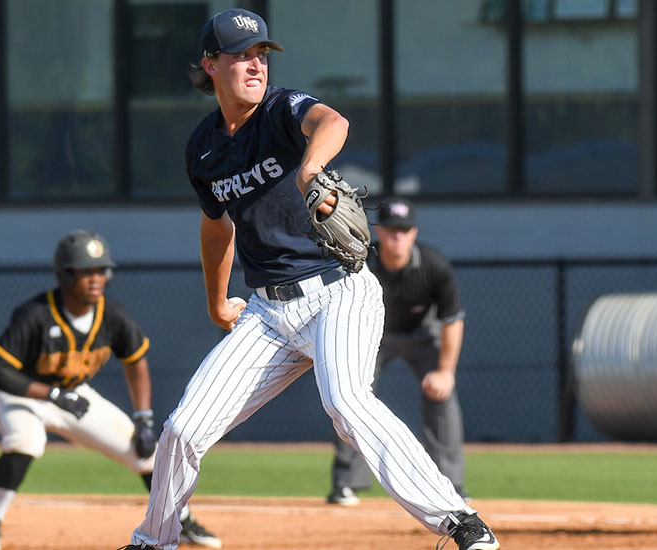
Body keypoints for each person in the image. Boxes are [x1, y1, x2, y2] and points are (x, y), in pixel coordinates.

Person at [120, 8, 498, 550]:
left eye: (260, 55)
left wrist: (309, 168)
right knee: (182, 429)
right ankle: (154, 540)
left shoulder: (280, 109)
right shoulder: (203, 148)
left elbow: (333, 123)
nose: (255, 65)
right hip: (268, 312)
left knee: (346, 401)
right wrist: (216, 301)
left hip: (338, 291)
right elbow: (216, 228)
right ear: (210, 64)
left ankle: (458, 521)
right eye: (240, 55)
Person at [0, 230, 222, 550]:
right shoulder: (35, 314)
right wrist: (52, 395)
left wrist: (143, 418)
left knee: (145, 453)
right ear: (65, 275)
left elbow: (136, 361)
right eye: (85, 271)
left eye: (101, 270)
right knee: (27, 440)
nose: (96, 279)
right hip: (18, 395)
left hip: (73, 394)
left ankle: (180, 520)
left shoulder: (111, 315)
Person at [327, 197, 470, 507]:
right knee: (350, 397)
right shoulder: (362, 265)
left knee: (441, 394)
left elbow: (452, 321)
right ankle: (346, 483)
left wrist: (445, 371)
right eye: (391, 230)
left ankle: (451, 484)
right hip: (373, 337)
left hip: (422, 336)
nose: (397, 238)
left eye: (404, 231)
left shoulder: (434, 265)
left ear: (414, 233)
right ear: (380, 233)